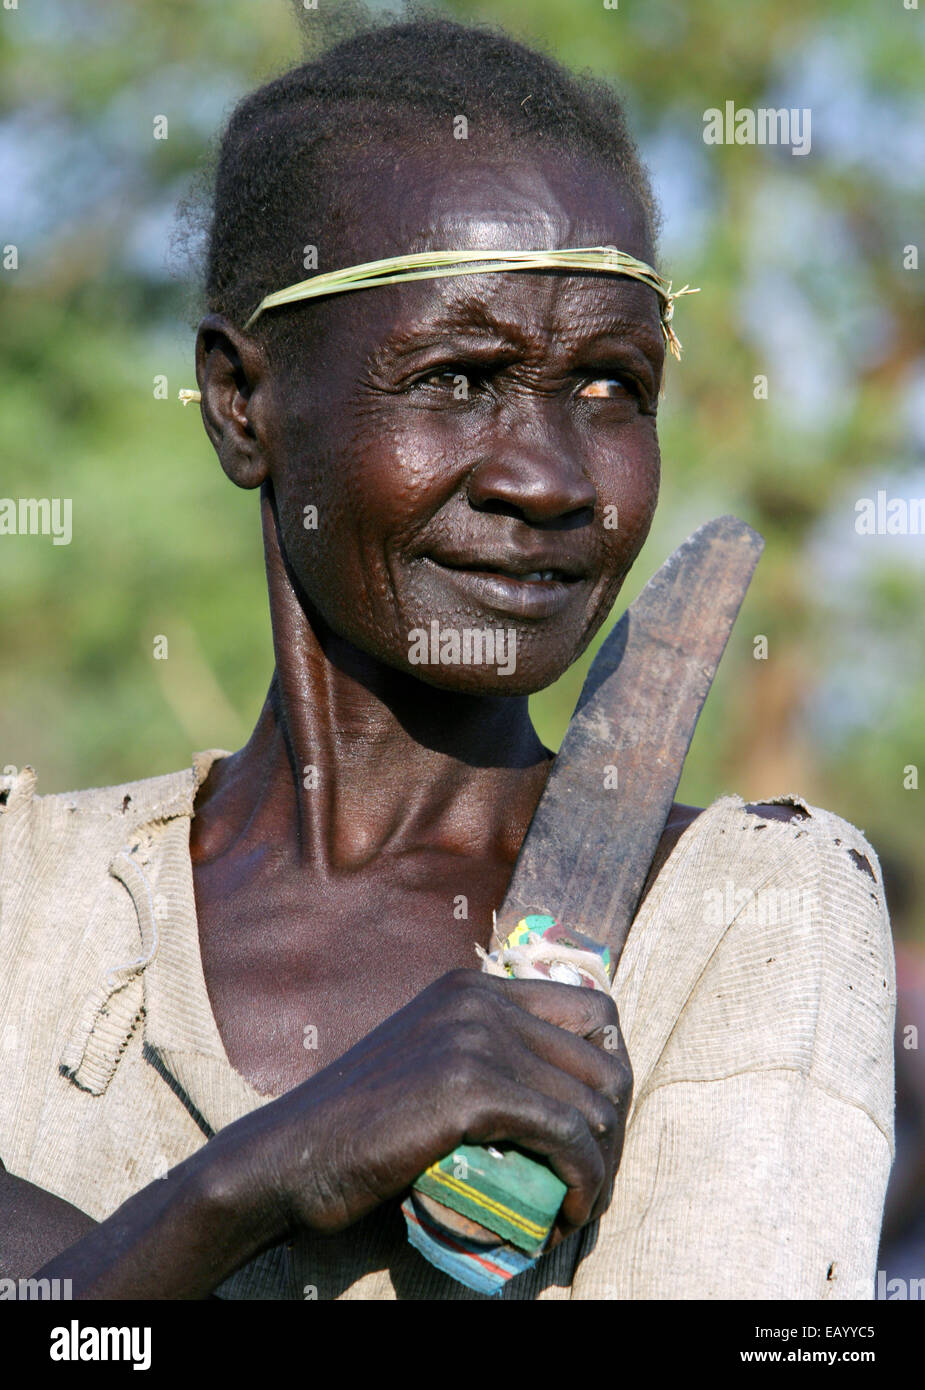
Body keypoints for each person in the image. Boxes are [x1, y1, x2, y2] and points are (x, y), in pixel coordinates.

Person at [0, 17, 894, 1300]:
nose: (546, 477)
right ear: (240, 405)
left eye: (607, 387)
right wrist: (264, 1173)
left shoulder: (741, 915)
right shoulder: (27, 905)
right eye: (460, 377)